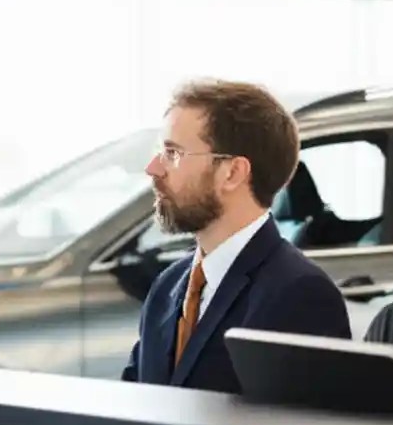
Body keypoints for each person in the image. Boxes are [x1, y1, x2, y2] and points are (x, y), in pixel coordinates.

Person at [121, 79, 351, 393]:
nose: (153, 168)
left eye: (173, 153)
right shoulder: (168, 286)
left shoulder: (300, 294)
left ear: (232, 173)